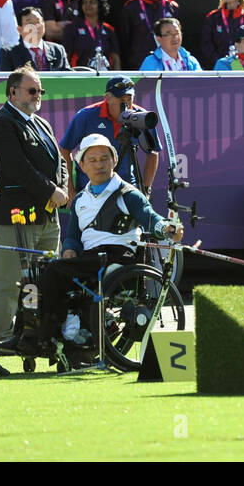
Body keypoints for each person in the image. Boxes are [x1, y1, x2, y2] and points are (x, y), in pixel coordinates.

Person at [34, 131, 182, 351]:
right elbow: (73, 237)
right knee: (45, 269)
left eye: (104, 158)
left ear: (114, 160)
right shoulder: (80, 200)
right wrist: (68, 251)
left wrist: (167, 228)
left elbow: (150, 218)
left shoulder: (128, 193)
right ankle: (66, 336)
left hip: (119, 257)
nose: (99, 165)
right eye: (92, 160)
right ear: (82, 166)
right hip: (90, 259)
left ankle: (48, 337)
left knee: (56, 271)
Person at [0, 67, 68, 349]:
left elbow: (61, 161)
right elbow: (17, 167)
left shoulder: (41, 123)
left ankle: (33, 330)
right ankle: (3, 336)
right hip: (13, 217)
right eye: (32, 90)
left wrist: (63, 189)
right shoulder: (1, 124)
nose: (38, 96)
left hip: (47, 214)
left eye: (40, 91)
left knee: (41, 280)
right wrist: (51, 191)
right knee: (10, 280)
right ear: (13, 92)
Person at [59, 75, 158, 195]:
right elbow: (64, 149)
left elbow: (153, 153)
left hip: (126, 189)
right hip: (90, 189)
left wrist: (146, 190)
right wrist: (69, 191)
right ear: (107, 98)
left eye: (129, 99)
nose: (127, 105)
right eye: (122, 100)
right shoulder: (86, 116)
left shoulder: (141, 117)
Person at [117, 0, 179, 70]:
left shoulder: (171, 6)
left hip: (167, 65)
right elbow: (123, 41)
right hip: (138, 66)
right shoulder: (131, 7)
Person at [0, 5, 67, 71]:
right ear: (19, 29)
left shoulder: (58, 50)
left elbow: (69, 78)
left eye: (38, 22)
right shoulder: (9, 54)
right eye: (30, 23)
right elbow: (5, 81)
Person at [62, 0, 119, 69]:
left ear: (100, 5)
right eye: (84, 2)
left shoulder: (109, 29)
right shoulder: (72, 28)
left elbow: (115, 58)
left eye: (92, 2)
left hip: (105, 75)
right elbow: (66, 56)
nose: (88, 5)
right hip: (80, 75)